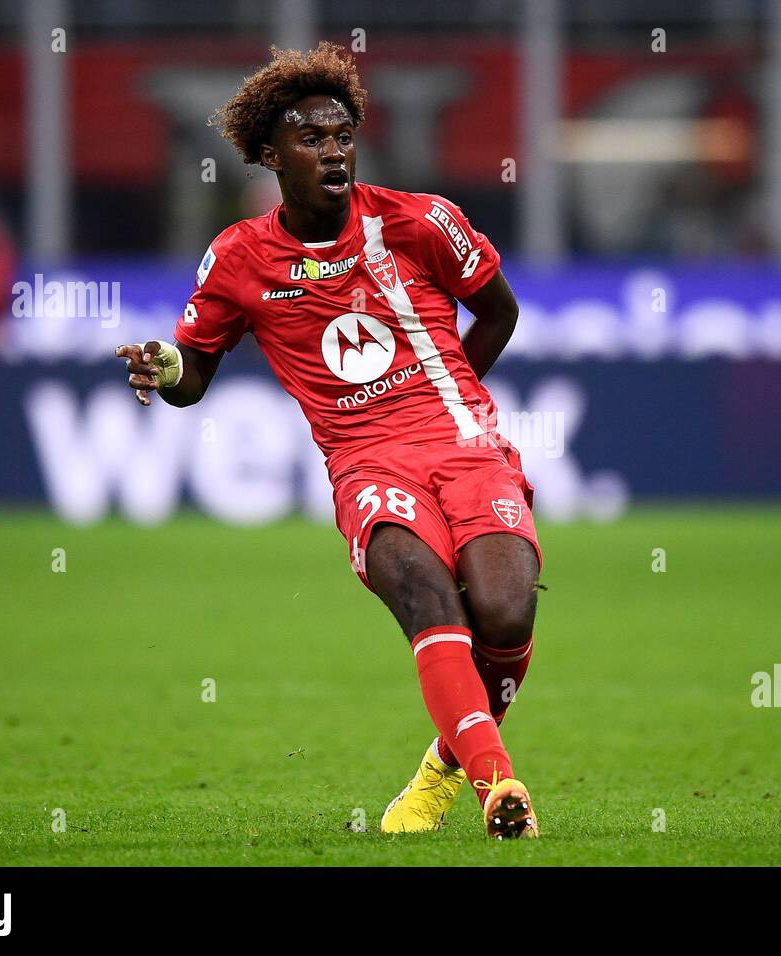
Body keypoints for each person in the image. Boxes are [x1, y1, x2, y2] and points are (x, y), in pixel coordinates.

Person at [115, 43, 541, 839]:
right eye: (312, 139)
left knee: (507, 615)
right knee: (424, 597)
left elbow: (500, 311)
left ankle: (440, 767)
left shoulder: (421, 222)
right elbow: (194, 373)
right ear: (270, 155)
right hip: (367, 464)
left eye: (343, 134)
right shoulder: (240, 259)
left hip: (463, 441)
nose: (334, 151)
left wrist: (458, 404)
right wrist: (165, 365)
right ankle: (495, 785)